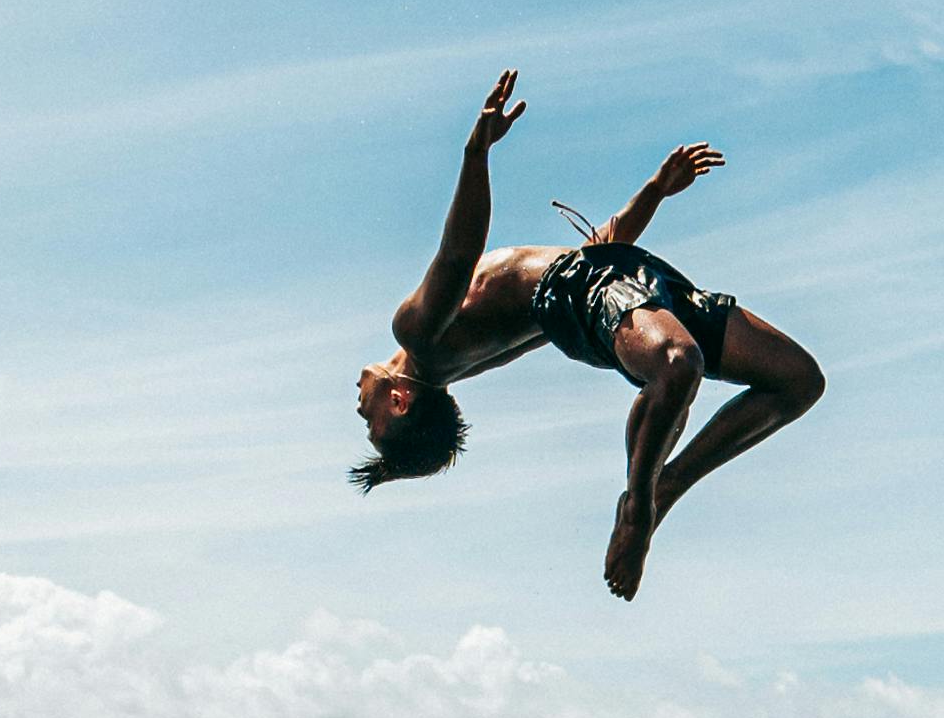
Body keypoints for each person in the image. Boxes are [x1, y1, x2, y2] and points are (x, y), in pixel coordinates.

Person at [353, 70, 826, 597]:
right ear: (400, 402)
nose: (358, 407)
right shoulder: (419, 336)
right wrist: (476, 152)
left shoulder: (464, 351)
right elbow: (460, 254)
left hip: (627, 276)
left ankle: (665, 485)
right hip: (598, 289)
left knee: (799, 380)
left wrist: (654, 192)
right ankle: (640, 504)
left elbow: (590, 259)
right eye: (369, 422)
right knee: (677, 364)